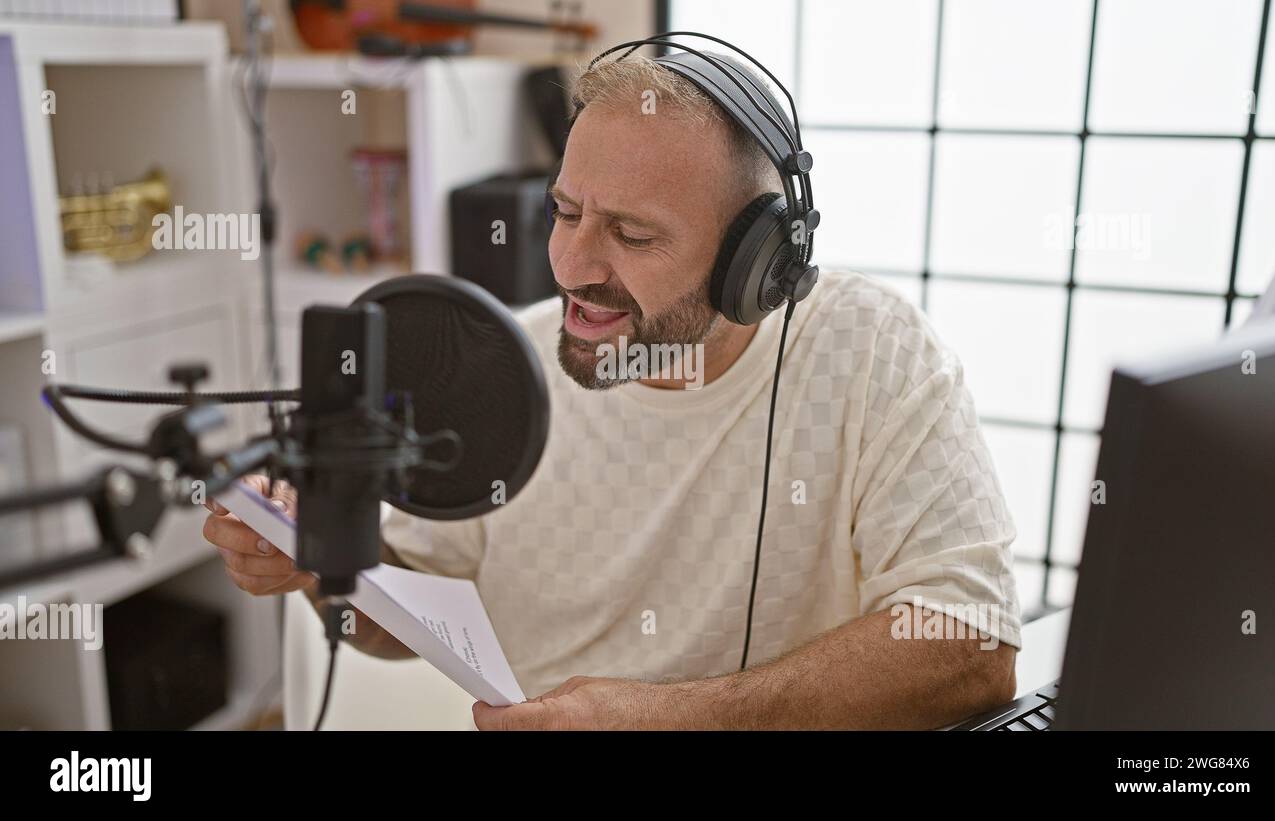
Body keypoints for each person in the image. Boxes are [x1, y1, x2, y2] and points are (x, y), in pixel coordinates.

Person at [203, 52, 1021, 730]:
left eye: (632, 234)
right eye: (565, 213)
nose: (571, 267)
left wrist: (671, 719)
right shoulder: (493, 369)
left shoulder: (868, 349)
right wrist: (315, 565)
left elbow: (971, 644)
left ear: (754, 265)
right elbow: (390, 628)